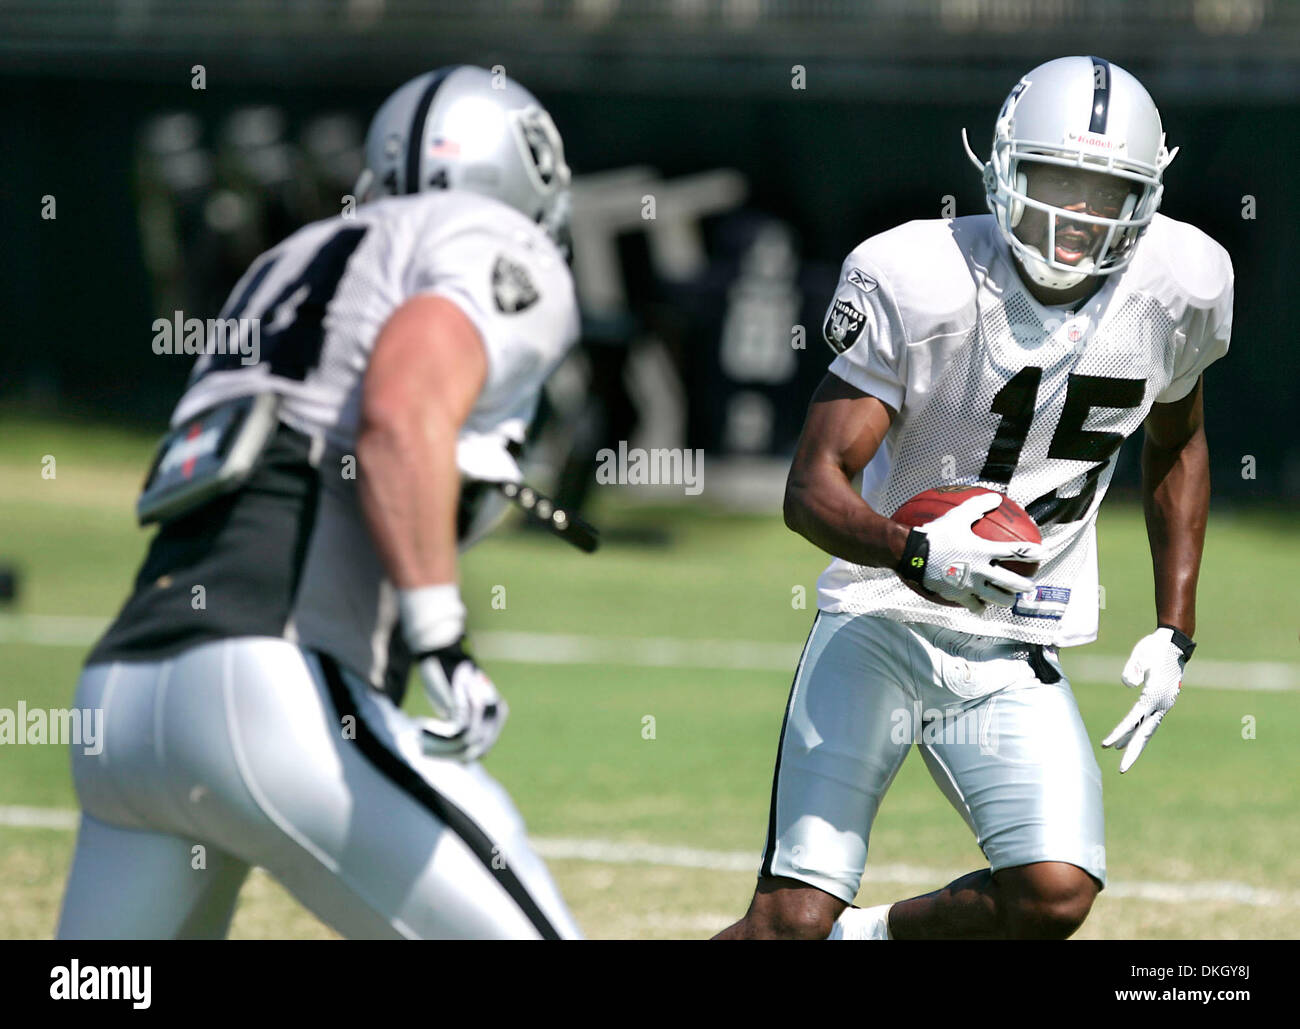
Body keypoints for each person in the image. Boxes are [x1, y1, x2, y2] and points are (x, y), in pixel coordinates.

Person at [57, 65, 585, 940]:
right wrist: (441, 637)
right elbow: (397, 414)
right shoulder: (493, 239)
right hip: (272, 687)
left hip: (121, 697)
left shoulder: (284, 259)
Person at [716, 56, 1231, 940]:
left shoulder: (1181, 284)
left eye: (1103, 192)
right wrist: (914, 552)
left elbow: (1176, 438)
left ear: (1145, 200)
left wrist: (1174, 628)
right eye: (1055, 180)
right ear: (999, 169)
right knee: (787, 923)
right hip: (879, 615)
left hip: (1012, 634)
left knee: (1055, 892)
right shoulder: (920, 275)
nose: (1073, 216)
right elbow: (811, 488)